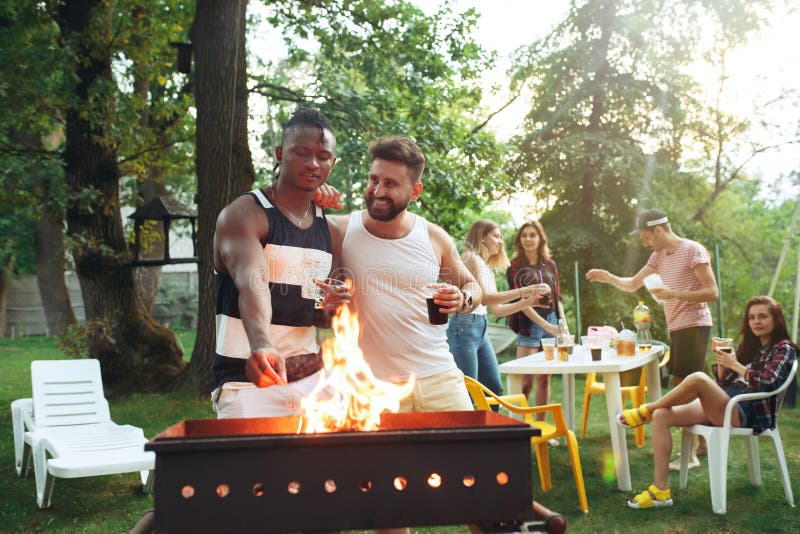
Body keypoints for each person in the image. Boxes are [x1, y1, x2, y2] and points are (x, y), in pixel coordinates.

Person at [323, 134, 482, 417]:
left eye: (390, 184)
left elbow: (472, 286)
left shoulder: (434, 237)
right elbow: (291, 225)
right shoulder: (341, 230)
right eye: (374, 179)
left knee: (473, 446)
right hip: (370, 388)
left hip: (440, 380)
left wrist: (463, 299)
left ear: (415, 191)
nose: (377, 191)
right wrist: (311, 196)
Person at [211, 107, 346, 419]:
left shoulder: (331, 232)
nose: (313, 164)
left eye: (323, 156)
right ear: (280, 153)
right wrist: (262, 344)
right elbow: (253, 285)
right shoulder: (244, 215)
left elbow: (321, 317)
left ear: (333, 163)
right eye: (302, 153)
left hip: (314, 383)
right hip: (248, 383)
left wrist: (335, 308)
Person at [616, 295, 797, 509]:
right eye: (752, 317)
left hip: (747, 412)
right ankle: (660, 491)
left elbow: (768, 382)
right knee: (661, 415)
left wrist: (735, 365)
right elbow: (724, 382)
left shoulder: (784, 348)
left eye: (762, 317)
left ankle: (646, 409)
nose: (756, 321)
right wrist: (723, 364)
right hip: (726, 402)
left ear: (776, 319)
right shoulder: (751, 346)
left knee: (698, 378)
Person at [585, 208, 719, 469]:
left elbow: (712, 291)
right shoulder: (658, 256)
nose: (644, 242)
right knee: (688, 386)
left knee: (685, 388)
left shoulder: (693, 250)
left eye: (646, 236)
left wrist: (674, 294)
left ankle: (690, 454)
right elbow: (633, 284)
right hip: (677, 327)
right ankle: (702, 444)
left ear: (658, 230)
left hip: (695, 324)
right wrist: (608, 278)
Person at [447, 220, 549, 397]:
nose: (500, 241)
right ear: (482, 237)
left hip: (481, 327)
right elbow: (485, 298)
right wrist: (525, 290)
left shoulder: (486, 267)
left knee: (494, 389)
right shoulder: (471, 258)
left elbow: (497, 309)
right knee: (468, 392)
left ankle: (488, 417)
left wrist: (529, 301)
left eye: (501, 237)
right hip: (464, 327)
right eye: (496, 236)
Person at [506, 221, 568, 429]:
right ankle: (519, 428)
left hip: (552, 320)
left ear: (540, 238)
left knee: (544, 378)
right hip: (528, 324)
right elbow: (521, 302)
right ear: (520, 240)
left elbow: (557, 297)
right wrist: (545, 326)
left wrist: (562, 324)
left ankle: (541, 427)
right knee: (525, 382)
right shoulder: (515, 266)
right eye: (524, 235)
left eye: (533, 235)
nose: (528, 239)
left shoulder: (550, 264)